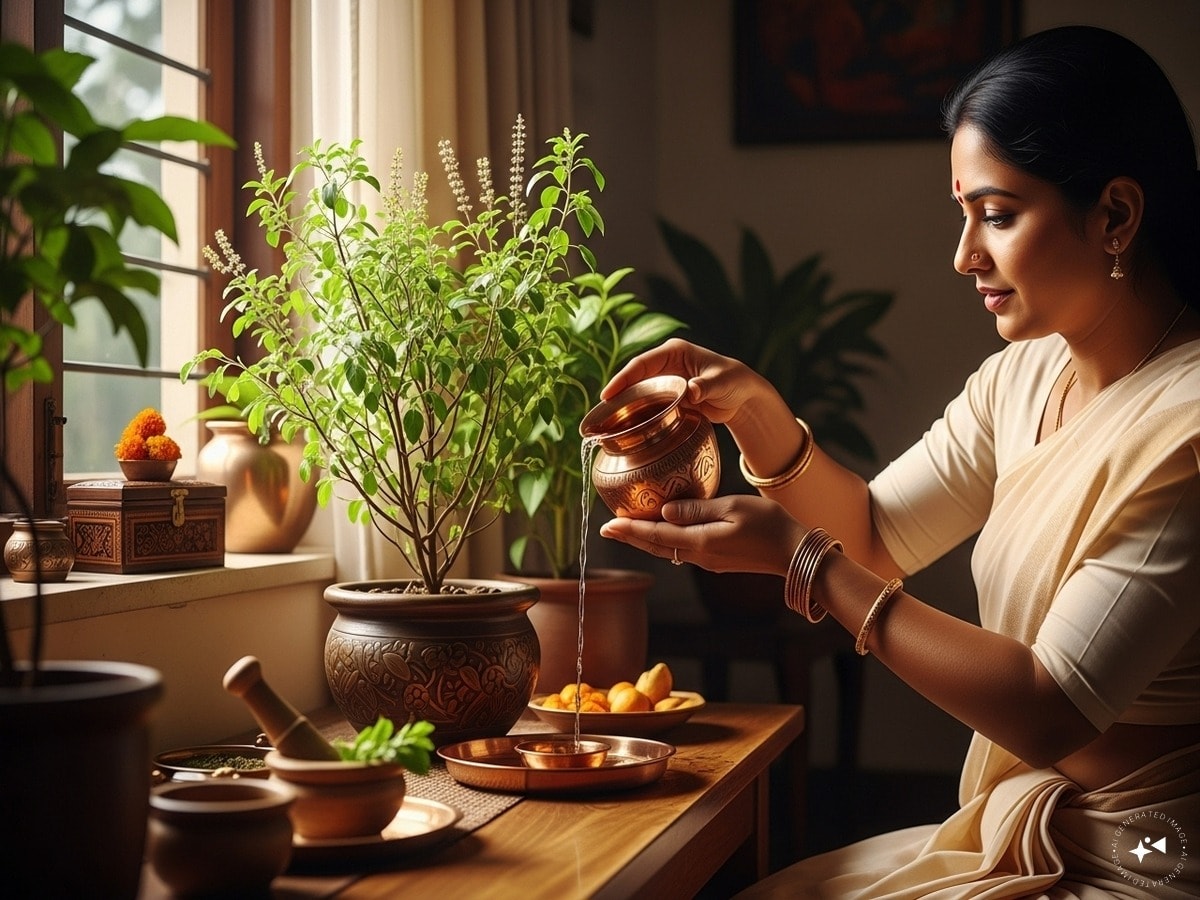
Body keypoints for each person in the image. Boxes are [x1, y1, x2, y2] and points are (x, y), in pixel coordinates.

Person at [598, 25, 1200, 898]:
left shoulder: (1185, 424)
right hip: (1033, 823)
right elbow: (877, 537)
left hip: (1154, 847)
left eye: (996, 215)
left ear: (1115, 214)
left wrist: (802, 559)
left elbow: (1050, 704)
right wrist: (760, 416)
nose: (965, 256)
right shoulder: (1024, 378)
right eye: (965, 217)